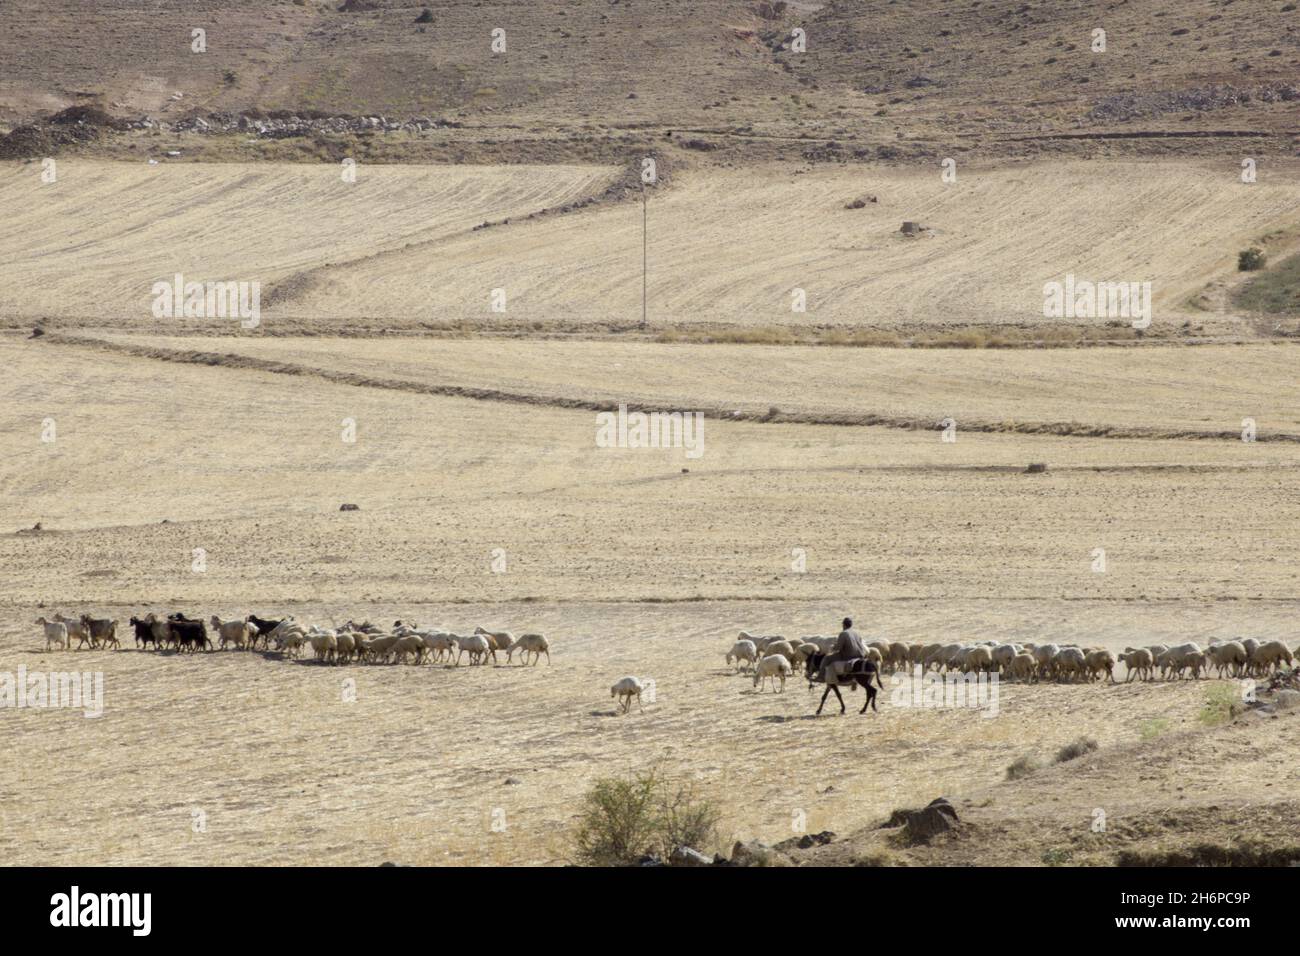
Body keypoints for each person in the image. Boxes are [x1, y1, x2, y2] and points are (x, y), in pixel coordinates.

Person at [821, 617, 866, 683]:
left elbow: (838, 647)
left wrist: (833, 647)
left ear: (844, 625)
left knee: (827, 658)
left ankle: (821, 677)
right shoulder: (856, 633)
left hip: (848, 656)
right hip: (860, 655)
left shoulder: (843, 633)